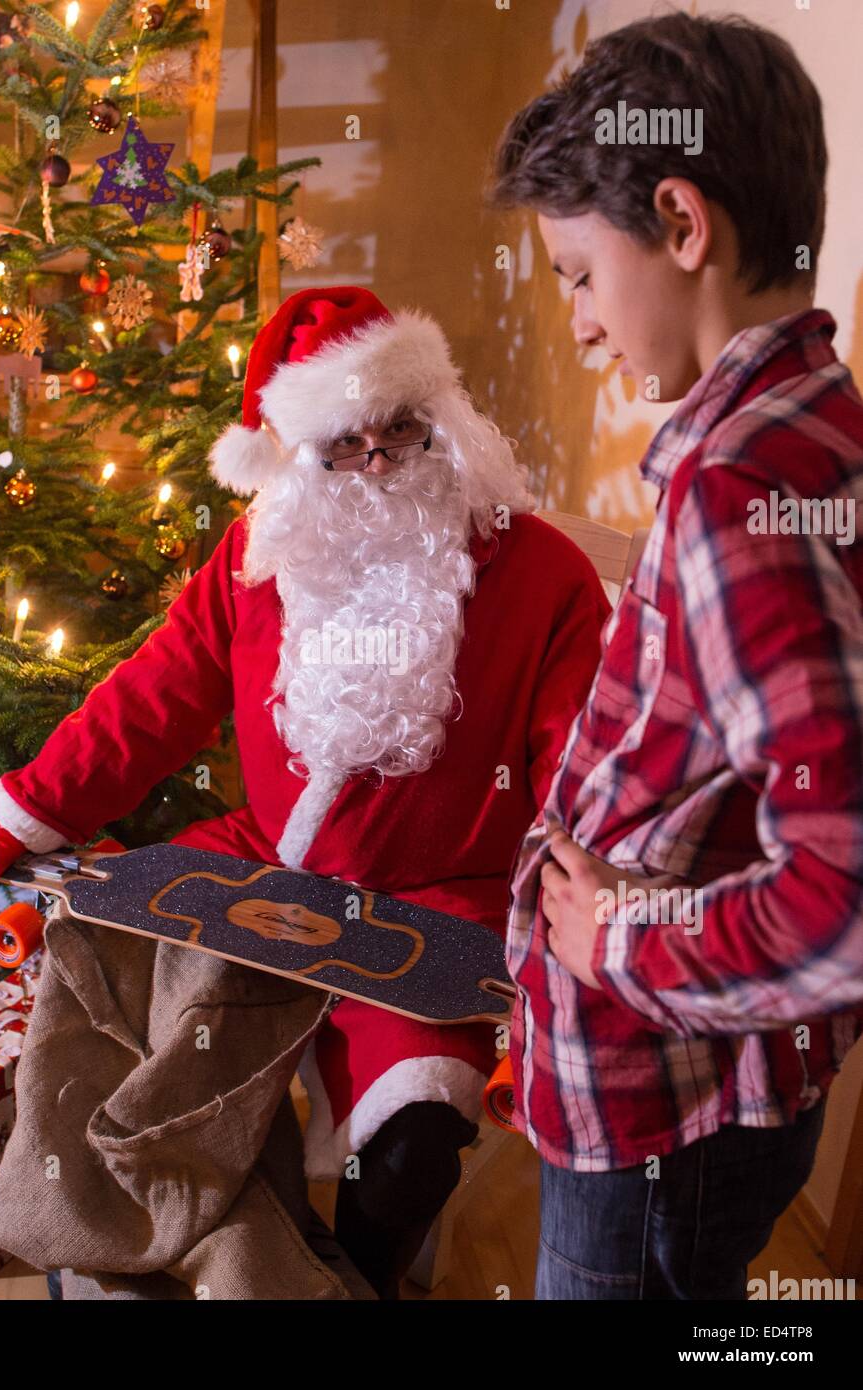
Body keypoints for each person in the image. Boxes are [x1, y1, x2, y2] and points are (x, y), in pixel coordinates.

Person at [0, 285, 609, 1298]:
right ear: (299, 458)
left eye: (403, 426)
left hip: (438, 897)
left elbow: (582, 775)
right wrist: (24, 808)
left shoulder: (543, 574)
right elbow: (151, 702)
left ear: (442, 415)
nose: (382, 459)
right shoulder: (259, 560)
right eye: (347, 444)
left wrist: (582, 919)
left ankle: (348, 1276)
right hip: (266, 855)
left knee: (417, 1117)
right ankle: (131, 1221)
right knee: (97, 947)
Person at [490, 12, 863, 1299]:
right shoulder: (814, 428)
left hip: (665, 1112)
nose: (581, 325)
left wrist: (621, 942)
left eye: (580, 275)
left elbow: (843, 892)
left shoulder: (737, 489)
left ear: (682, 222)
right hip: (711, 1092)